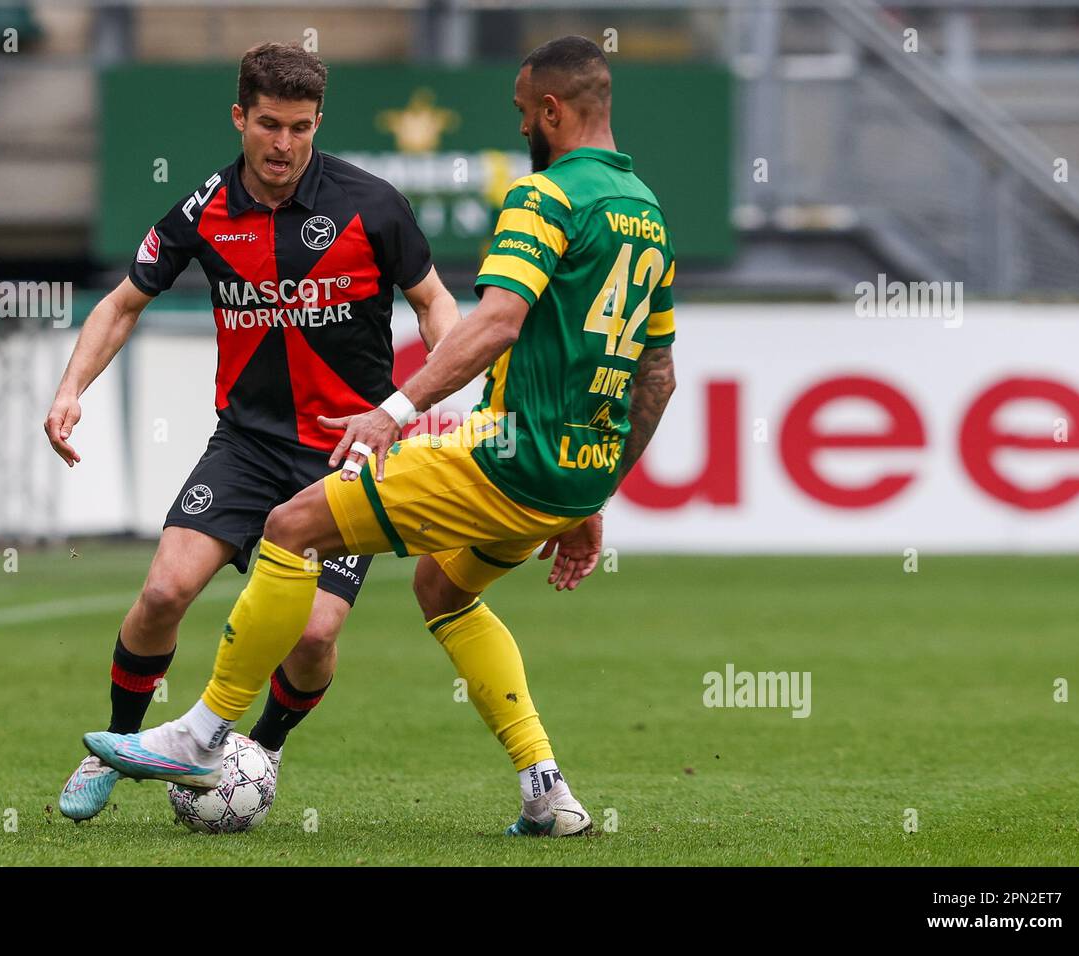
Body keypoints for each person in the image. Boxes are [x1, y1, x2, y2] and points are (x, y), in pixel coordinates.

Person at [84, 35, 678, 837]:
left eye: (520, 113)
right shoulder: (648, 213)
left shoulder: (545, 199)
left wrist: (394, 411)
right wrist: (591, 493)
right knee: (442, 588)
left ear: (551, 110)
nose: (519, 129)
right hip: (572, 475)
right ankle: (547, 790)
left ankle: (198, 734)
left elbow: (495, 323)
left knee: (291, 528)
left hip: (504, 454)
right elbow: (657, 378)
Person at [45, 41, 458, 820]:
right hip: (246, 446)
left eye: (301, 127)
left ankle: (257, 751)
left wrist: (420, 392)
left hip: (345, 454)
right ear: (240, 117)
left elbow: (436, 303)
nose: (283, 145)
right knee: (164, 590)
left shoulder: (373, 204)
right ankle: (116, 746)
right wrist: (71, 389)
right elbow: (123, 302)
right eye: (268, 124)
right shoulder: (205, 210)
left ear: (317, 123)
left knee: (312, 638)